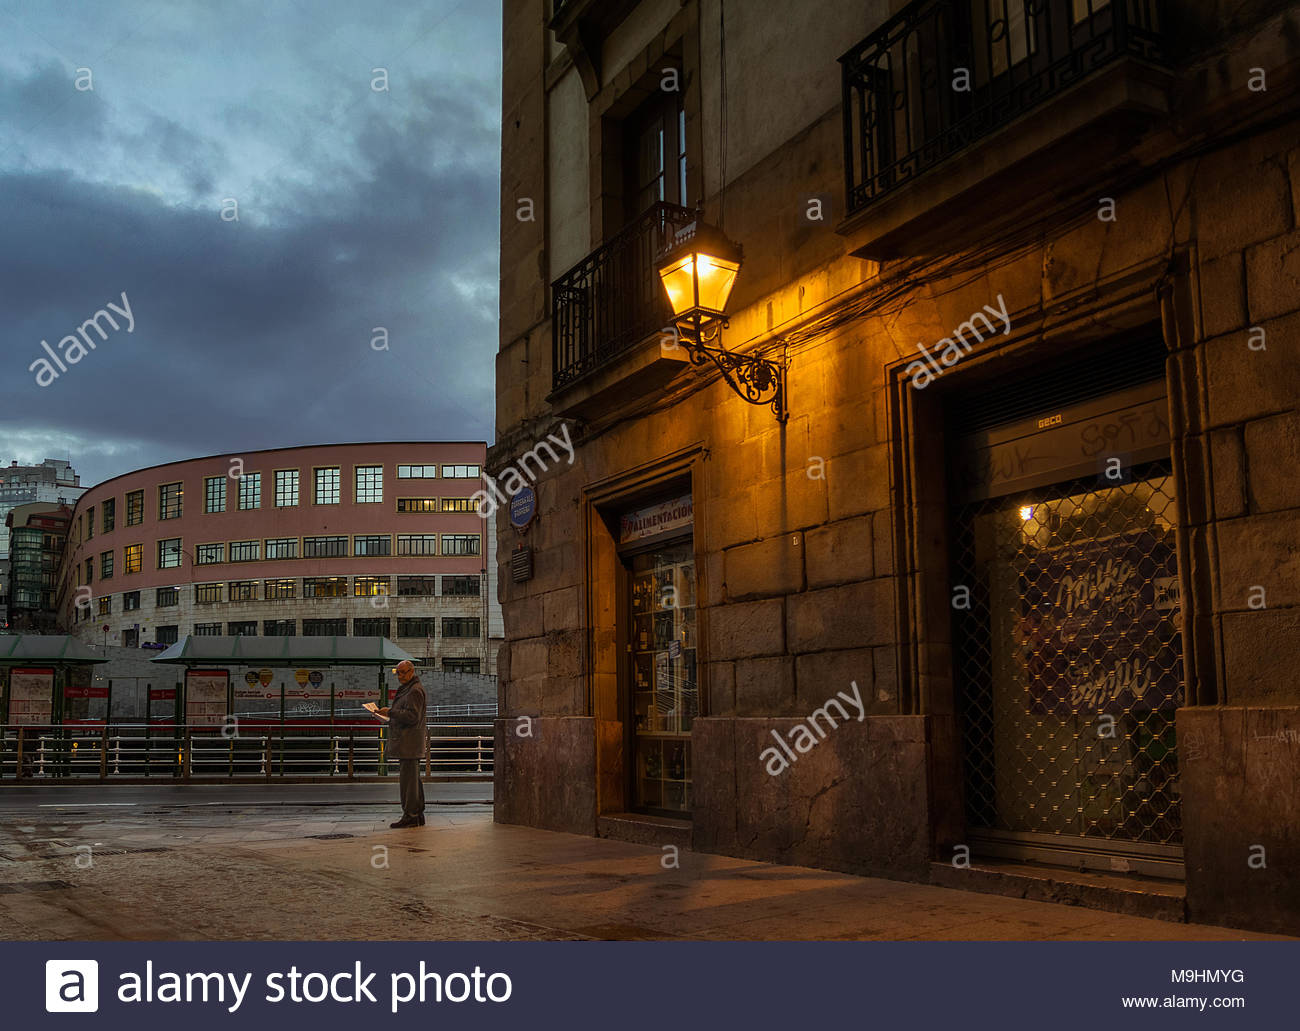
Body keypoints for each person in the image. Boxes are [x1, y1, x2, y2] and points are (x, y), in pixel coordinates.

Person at [373, 660, 428, 828]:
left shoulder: (414, 691)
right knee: (413, 781)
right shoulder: (410, 689)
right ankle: (417, 814)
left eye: (403, 672)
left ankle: (410, 816)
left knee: (408, 782)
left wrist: (389, 712)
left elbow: (412, 716)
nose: (400, 676)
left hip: (409, 743)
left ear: (411, 671)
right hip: (408, 742)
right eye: (398, 673)